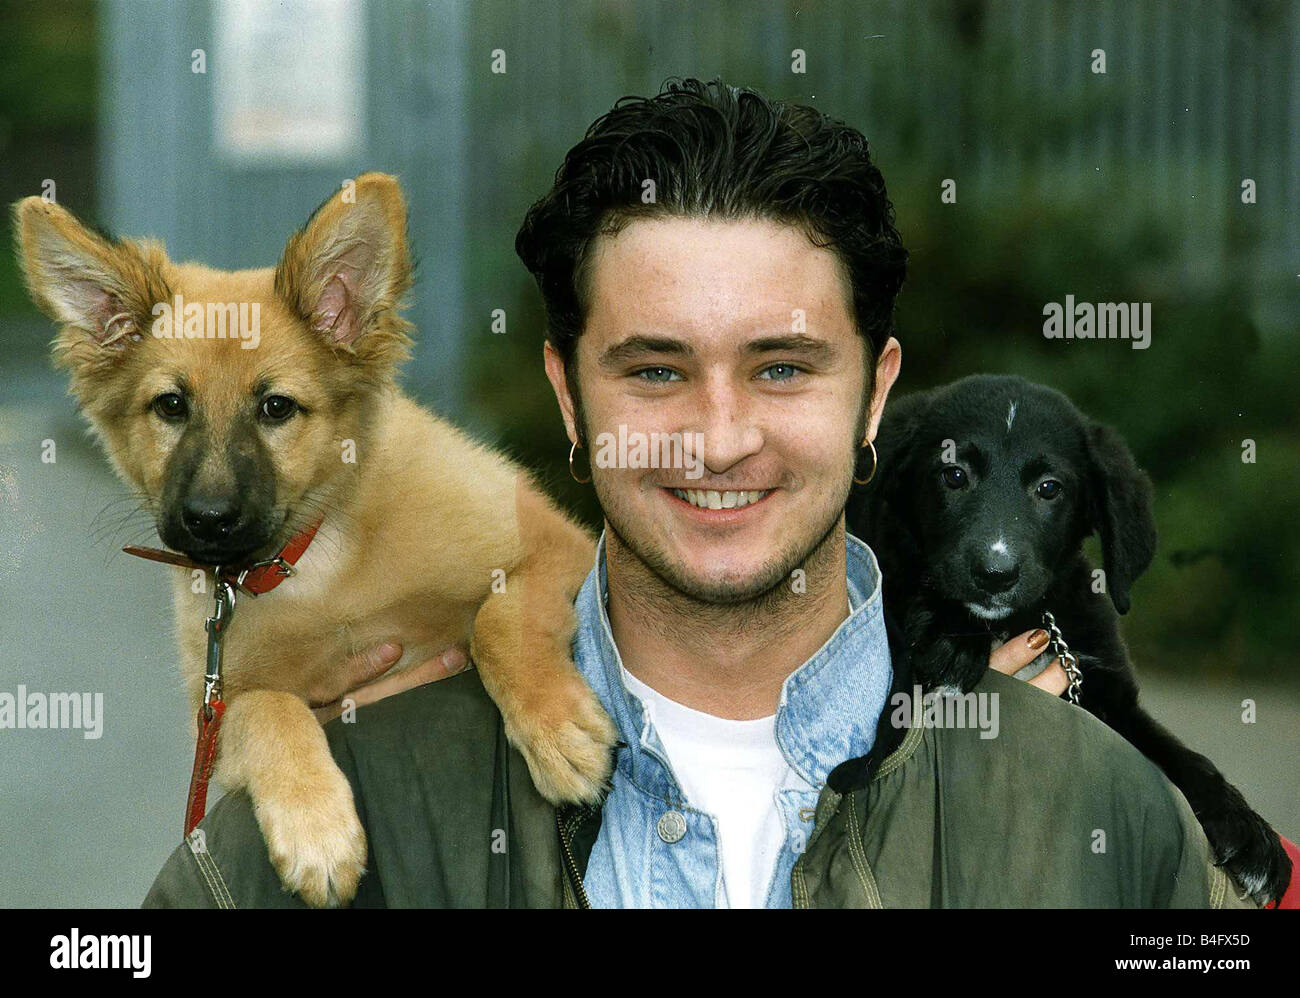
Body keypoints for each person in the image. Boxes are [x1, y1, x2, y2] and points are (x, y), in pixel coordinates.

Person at [144, 78, 1254, 909]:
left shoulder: (1109, 809)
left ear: (875, 399)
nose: (719, 439)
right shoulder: (352, 785)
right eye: (656, 370)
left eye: (781, 366)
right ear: (569, 405)